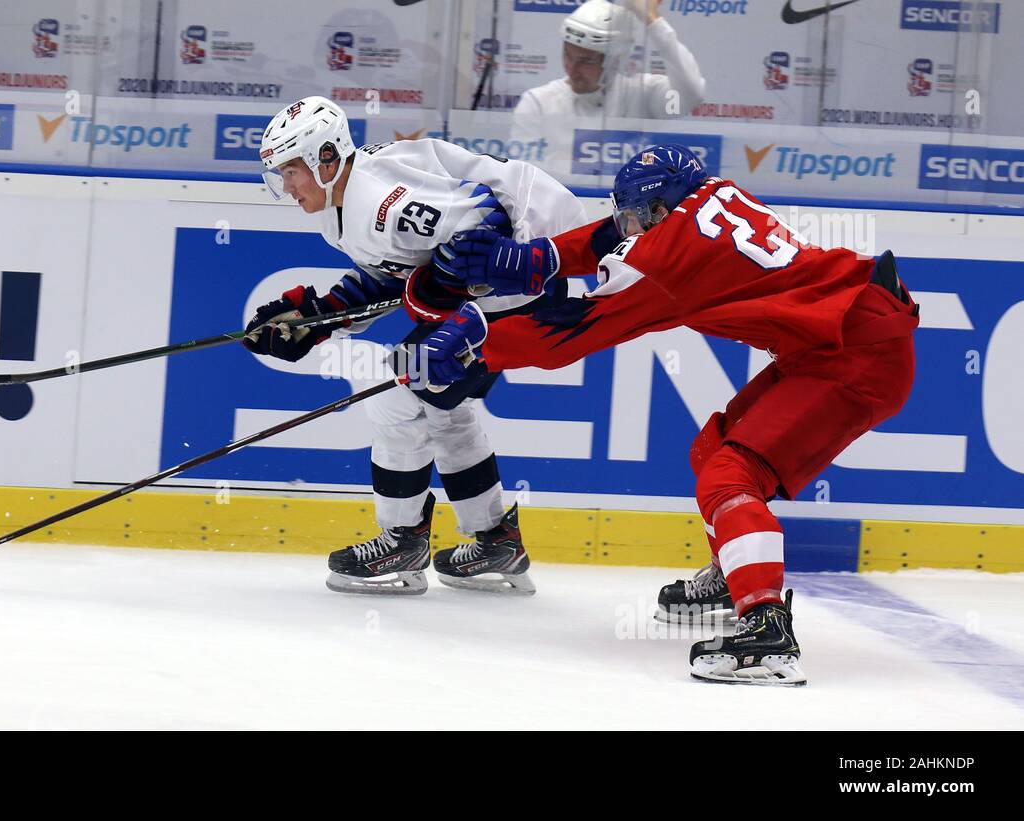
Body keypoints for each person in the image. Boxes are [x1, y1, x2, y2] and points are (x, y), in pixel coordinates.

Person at [426, 144, 920, 685]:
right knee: (713, 451)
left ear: (659, 212)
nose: (627, 228)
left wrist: (478, 337)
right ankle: (734, 580)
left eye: (635, 217)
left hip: (853, 353)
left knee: (733, 476)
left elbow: (569, 335)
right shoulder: (714, 196)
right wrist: (528, 259)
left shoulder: (666, 259)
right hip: (843, 333)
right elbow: (613, 240)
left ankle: (766, 629)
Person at [246, 96, 587, 596]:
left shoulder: (379, 201)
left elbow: (484, 222)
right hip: (513, 278)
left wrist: (439, 288)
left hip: (532, 270)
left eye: (291, 171)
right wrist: (317, 318)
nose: (286, 186)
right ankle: (495, 541)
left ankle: (403, 540)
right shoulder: (345, 202)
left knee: (395, 389)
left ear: (325, 159)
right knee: (439, 404)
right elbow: (397, 269)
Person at [511, 0, 705, 174]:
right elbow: (522, 176)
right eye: (567, 55)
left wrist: (653, 22)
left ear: (614, 61)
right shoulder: (537, 103)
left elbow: (691, 93)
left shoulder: (643, 93)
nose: (572, 69)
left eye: (585, 61)